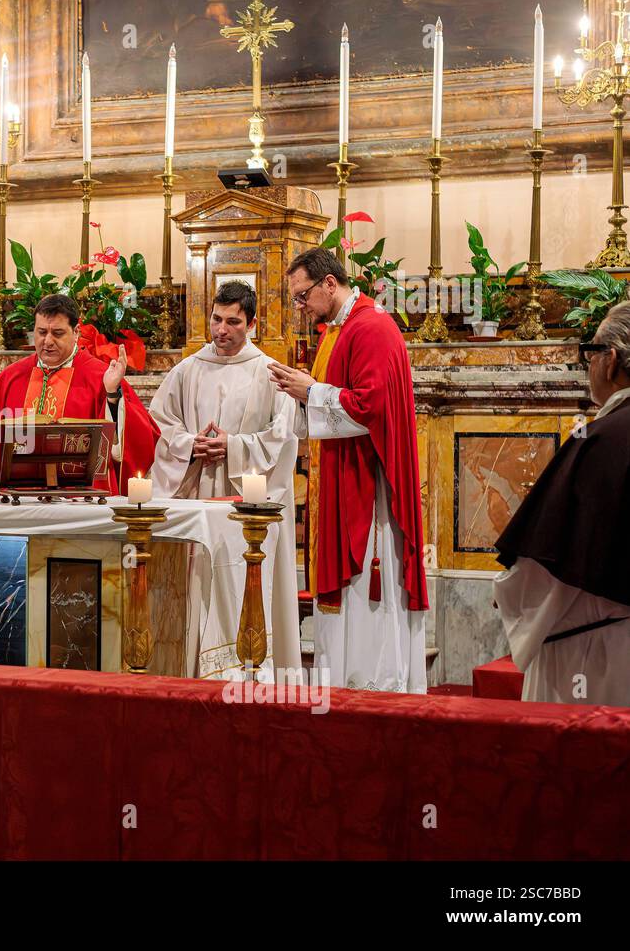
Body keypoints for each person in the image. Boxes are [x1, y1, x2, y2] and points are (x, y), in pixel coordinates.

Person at [268, 248, 428, 693]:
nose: (300, 307)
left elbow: (370, 407)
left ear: (329, 284)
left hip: (367, 489)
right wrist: (302, 393)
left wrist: (312, 390)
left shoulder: (371, 326)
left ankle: (373, 689)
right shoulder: (338, 330)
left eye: (303, 297)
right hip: (338, 478)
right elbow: (334, 400)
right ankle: (340, 689)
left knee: (366, 596)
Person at [150, 280, 301, 678]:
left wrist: (232, 448)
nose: (221, 330)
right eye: (216, 319)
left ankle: (245, 673)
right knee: (197, 586)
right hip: (196, 492)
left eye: (233, 322)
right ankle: (191, 672)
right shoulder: (187, 369)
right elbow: (160, 423)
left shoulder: (270, 374)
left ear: (251, 322)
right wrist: (190, 444)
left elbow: (284, 438)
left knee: (241, 582)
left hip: (242, 506)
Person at [494, 303, 630, 705]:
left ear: (610, 360)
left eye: (589, 355)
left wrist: (509, 594)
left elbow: (550, 562)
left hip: (595, 649)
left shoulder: (599, 440)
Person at [0, 293, 159, 495]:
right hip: (18, 501)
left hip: (80, 504)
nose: (47, 341)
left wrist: (112, 395)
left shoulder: (101, 377)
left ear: (76, 333)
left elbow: (141, 439)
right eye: (41, 332)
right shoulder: (11, 378)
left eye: (57, 333)